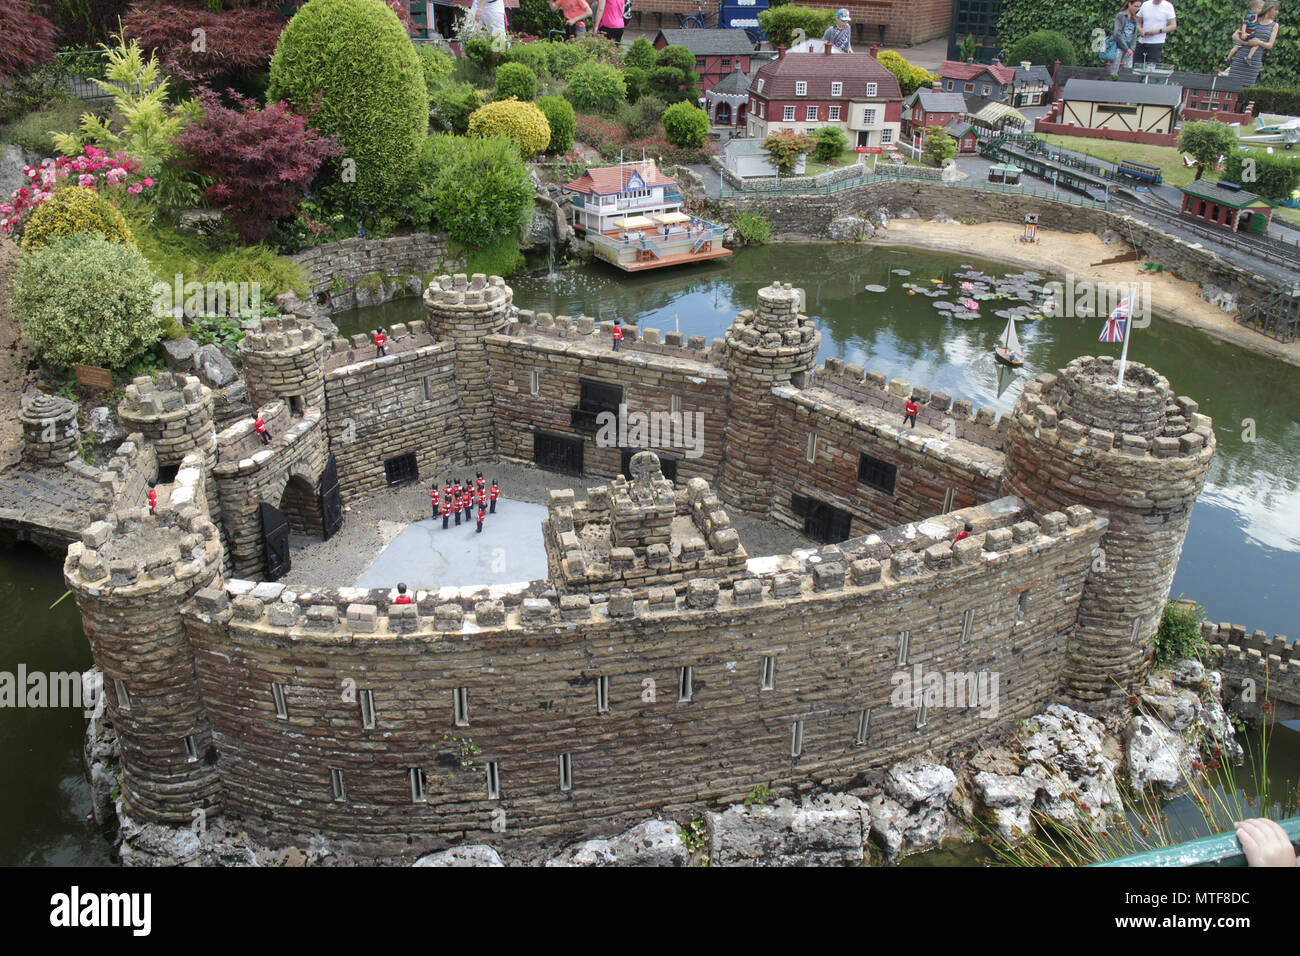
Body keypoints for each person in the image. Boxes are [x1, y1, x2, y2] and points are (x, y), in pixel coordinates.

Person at [1225, 2, 1279, 84]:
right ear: (1269, 9)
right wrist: (1247, 43)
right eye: (1276, 9)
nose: (1277, 12)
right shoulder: (1253, 18)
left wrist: (1259, 42)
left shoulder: (1274, 25)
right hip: (1240, 59)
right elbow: (1235, 35)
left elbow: (1270, 45)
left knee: (1248, 87)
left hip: (1253, 62)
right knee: (1232, 86)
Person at [1134, 0, 1176, 67]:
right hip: (1142, 42)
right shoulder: (1145, 4)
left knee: (1151, 69)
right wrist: (1141, 30)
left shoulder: (1168, 6)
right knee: (1136, 67)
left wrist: (1158, 31)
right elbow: (1137, 22)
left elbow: (1173, 25)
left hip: (1157, 43)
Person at [1223, 0, 1264, 68]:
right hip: (1247, 34)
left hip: (1248, 34)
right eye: (1259, 8)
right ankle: (1249, 57)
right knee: (1257, 44)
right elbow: (1244, 24)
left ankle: (1228, 58)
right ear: (1253, 8)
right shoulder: (1249, 16)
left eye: (1262, 8)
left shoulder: (1255, 15)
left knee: (1237, 46)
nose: (1261, 10)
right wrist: (1243, 33)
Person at [1109, 0, 1141, 76]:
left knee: (1127, 72)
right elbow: (1117, 33)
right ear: (1130, 4)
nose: (1137, 8)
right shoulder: (1121, 15)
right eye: (1135, 6)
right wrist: (1126, 48)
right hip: (1119, 47)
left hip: (1129, 50)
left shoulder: (1135, 19)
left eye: (1138, 7)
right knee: (1114, 71)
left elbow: (1134, 35)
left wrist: (1132, 49)